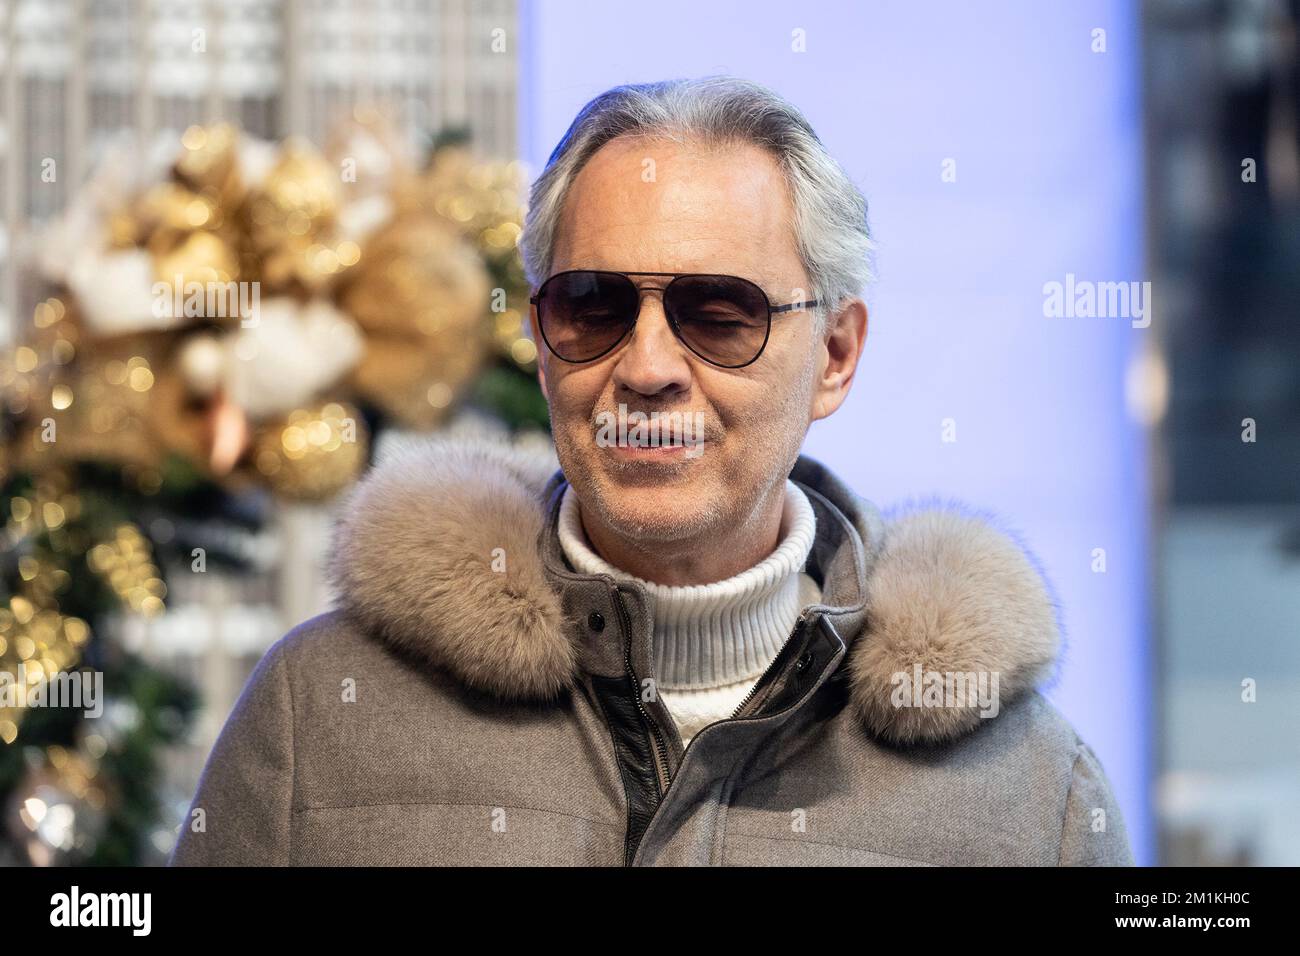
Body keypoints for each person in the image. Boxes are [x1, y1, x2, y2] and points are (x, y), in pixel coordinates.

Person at [171, 76, 1133, 866]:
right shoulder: (320, 712)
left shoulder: (1028, 794)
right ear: (541, 341)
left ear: (836, 355)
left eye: (720, 313)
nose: (645, 368)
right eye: (591, 305)